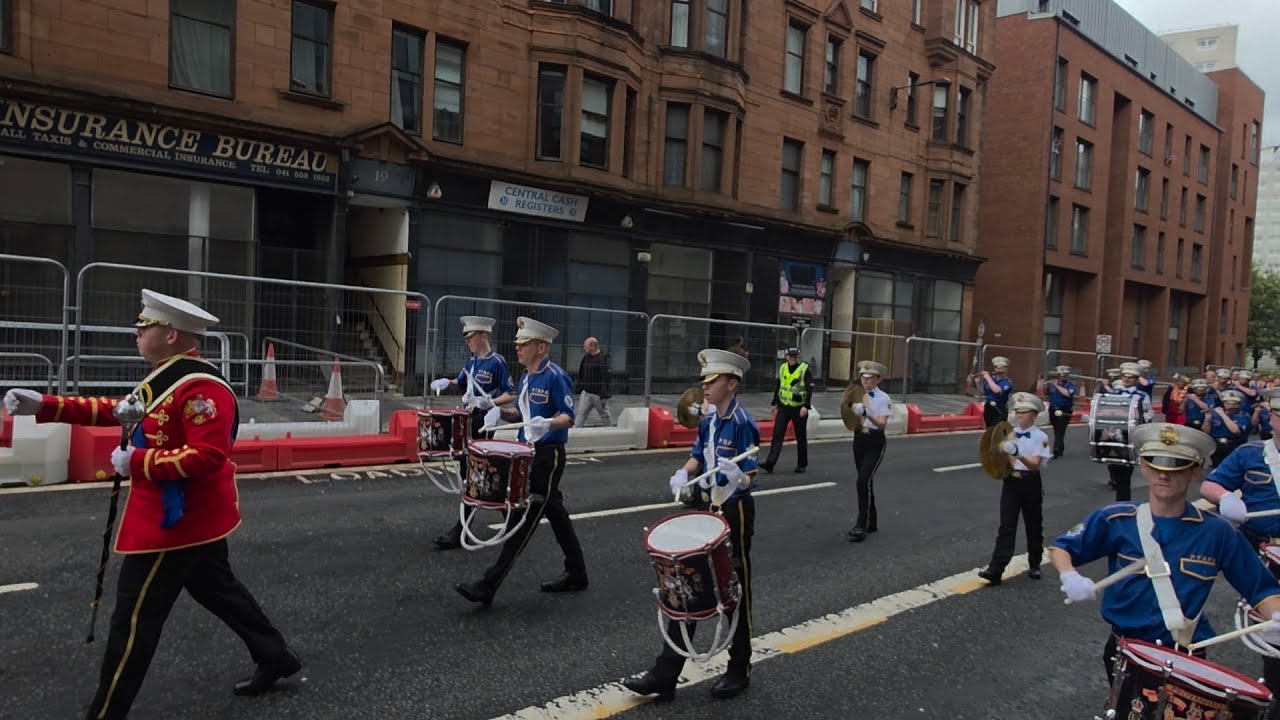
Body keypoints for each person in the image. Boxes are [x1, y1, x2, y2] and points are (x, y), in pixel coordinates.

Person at [3, 289, 300, 720]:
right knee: (218, 590)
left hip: (178, 521)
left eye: (145, 328)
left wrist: (138, 461)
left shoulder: (199, 388)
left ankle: (105, 712)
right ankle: (275, 655)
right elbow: (119, 411)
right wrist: (45, 405)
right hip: (184, 516)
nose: (137, 334)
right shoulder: (166, 374)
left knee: (134, 622)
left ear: (171, 334)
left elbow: (209, 456)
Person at [1050, 422, 1280, 683]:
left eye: (1176, 466)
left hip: (1186, 655)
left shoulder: (1218, 532)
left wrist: (1275, 616)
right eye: (1155, 464)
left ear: (1195, 471)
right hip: (1126, 649)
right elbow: (1062, 547)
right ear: (1143, 466)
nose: (1164, 475)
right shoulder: (1116, 519)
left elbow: (1262, 589)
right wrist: (1069, 575)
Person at [622, 348, 759, 702]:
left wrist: (739, 478)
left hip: (734, 510)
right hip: (704, 504)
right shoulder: (710, 421)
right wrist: (684, 473)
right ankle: (666, 674)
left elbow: (751, 473)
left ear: (732, 383)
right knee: (687, 585)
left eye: (712, 381)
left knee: (734, 590)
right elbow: (698, 455)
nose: (705, 387)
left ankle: (739, 667)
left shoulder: (743, 422)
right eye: (705, 382)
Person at [455, 317, 588, 606]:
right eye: (517, 344)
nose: (518, 348)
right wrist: (499, 413)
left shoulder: (555, 375)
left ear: (541, 347)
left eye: (524, 344)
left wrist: (549, 424)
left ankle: (488, 584)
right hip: (528, 451)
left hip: (547, 456)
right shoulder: (528, 376)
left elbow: (569, 416)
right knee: (556, 513)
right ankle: (577, 572)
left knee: (523, 519)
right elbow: (521, 413)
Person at [1200, 400, 1280, 703]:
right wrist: (1225, 500)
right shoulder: (1250, 453)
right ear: (1272, 418)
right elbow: (1210, 485)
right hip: (1262, 550)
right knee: (1273, 622)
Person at [428, 316, 517, 550]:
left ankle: (462, 529)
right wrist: (445, 383)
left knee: (477, 473)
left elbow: (510, 393)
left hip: (482, 423)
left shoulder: (496, 362)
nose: (467, 341)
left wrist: (490, 403)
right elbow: (459, 382)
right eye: (466, 337)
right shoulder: (471, 363)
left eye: (470, 337)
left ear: (483, 336)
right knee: (473, 473)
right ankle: (506, 517)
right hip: (467, 420)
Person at [978, 392, 1052, 585]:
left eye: (1023, 411)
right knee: (1007, 525)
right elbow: (1003, 461)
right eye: (1017, 411)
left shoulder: (1041, 437)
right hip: (1011, 482)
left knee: (1033, 525)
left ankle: (1034, 563)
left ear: (1034, 415)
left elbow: (1034, 464)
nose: (1018, 415)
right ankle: (996, 569)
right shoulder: (1008, 434)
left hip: (1030, 483)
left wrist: (1018, 454)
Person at [848, 360, 892, 542]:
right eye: (864, 378)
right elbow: (855, 422)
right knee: (866, 482)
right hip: (860, 439)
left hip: (875, 441)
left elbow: (881, 424)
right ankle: (871, 521)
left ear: (878, 379)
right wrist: (855, 412)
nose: (866, 382)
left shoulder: (884, 398)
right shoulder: (858, 395)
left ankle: (861, 524)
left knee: (862, 481)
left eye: (870, 379)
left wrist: (867, 414)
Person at [1104, 362, 1152, 501]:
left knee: (1124, 476)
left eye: (1131, 377)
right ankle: (1120, 498)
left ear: (1136, 379)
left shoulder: (1142, 395)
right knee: (1114, 468)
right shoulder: (1113, 394)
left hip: (1130, 437)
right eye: (1125, 376)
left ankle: (1123, 503)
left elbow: (1148, 416)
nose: (1127, 379)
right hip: (1114, 436)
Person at [760, 346, 811, 474]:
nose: (793, 358)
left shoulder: (804, 369)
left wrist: (806, 406)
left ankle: (802, 464)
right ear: (786, 357)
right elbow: (779, 386)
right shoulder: (782, 368)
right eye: (791, 356)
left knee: (800, 436)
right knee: (777, 434)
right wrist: (774, 403)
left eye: (795, 356)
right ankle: (770, 463)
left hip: (798, 407)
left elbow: (809, 389)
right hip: (784, 405)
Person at [1207, 389, 1250, 466]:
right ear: (1224, 403)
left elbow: (1236, 431)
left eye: (1234, 403)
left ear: (1239, 404)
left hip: (1234, 445)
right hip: (1217, 446)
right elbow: (1206, 431)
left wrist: (1223, 414)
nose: (1231, 406)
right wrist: (1207, 420)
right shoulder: (1215, 414)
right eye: (1228, 403)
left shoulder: (1244, 415)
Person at [576, 336, 612, 427]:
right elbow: (582, 372)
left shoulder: (603, 358)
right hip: (586, 393)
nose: (584, 348)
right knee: (580, 415)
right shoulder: (586, 357)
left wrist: (604, 395)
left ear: (592, 346)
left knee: (605, 416)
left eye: (586, 346)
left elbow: (606, 378)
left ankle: (610, 432)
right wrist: (580, 387)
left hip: (598, 395)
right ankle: (574, 433)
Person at [1046, 365, 1077, 458]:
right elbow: (1046, 393)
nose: (1062, 377)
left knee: (1060, 429)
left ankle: (1057, 449)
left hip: (1064, 410)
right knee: (1056, 429)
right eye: (1060, 375)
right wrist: (1047, 385)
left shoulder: (1071, 384)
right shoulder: (1052, 384)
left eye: (1064, 375)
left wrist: (1056, 385)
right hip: (1053, 409)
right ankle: (1060, 448)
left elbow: (1067, 394)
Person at [980, 356, 1013, 428]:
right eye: (997, 367)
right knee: (989, 429)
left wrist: (987, 377)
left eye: (1001, 367)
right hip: (989, 407)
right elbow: (983, 392)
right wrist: (977, 382)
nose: (998, 369)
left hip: (999, 408)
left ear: (1006, 369)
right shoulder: (991, 379)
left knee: (997, 431)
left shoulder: (1007, 382)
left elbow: (997, 390)